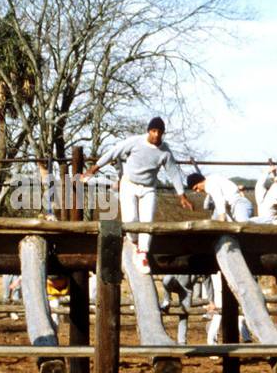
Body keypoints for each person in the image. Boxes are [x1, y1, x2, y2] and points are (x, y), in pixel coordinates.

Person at [80, 117, 193, 274]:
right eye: (153, 131)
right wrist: (94, 168)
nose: (156, 135)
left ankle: (142, 252)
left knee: (147, 222)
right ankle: (133, 241)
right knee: (131, 219)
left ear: (163, 134)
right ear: (148, 131)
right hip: (129, 184)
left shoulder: (165, 151)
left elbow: (173, 172)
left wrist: (182, 195)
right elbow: (113, 152)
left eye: (159, 132)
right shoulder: (135, 142)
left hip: (149, 189)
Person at [186, 171, 254, 222]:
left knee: (243, 223)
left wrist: (222, 217)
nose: (197, 191)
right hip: (231, 206)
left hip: (239, 203)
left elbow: (219, 200)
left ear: (200, 181)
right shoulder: (212, 182)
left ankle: (264, 221)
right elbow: (206, 206)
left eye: (196, 187)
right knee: (214, 222)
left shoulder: (210, 184)